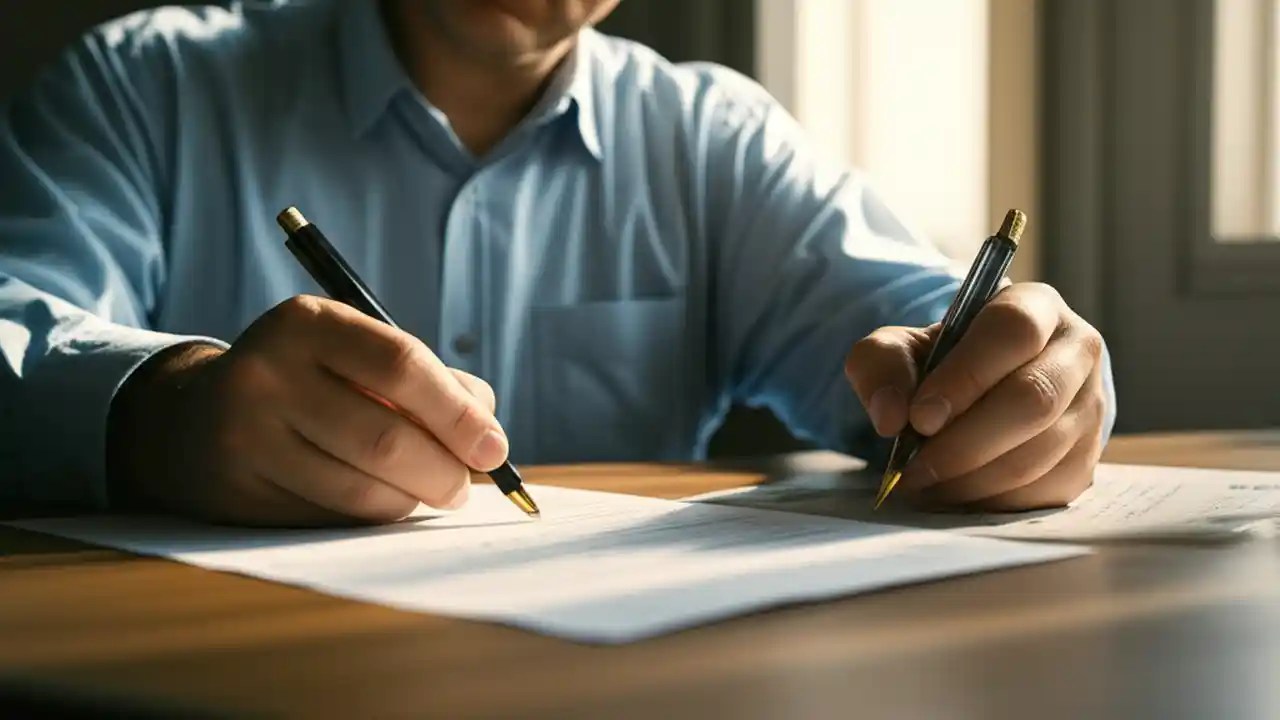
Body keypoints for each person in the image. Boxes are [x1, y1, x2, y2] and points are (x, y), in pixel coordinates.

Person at [0, 0, 1115, 526]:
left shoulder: (710, 140)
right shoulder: (148, 88)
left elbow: (926, 340)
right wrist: (164, 407)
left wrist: (1015, 384)